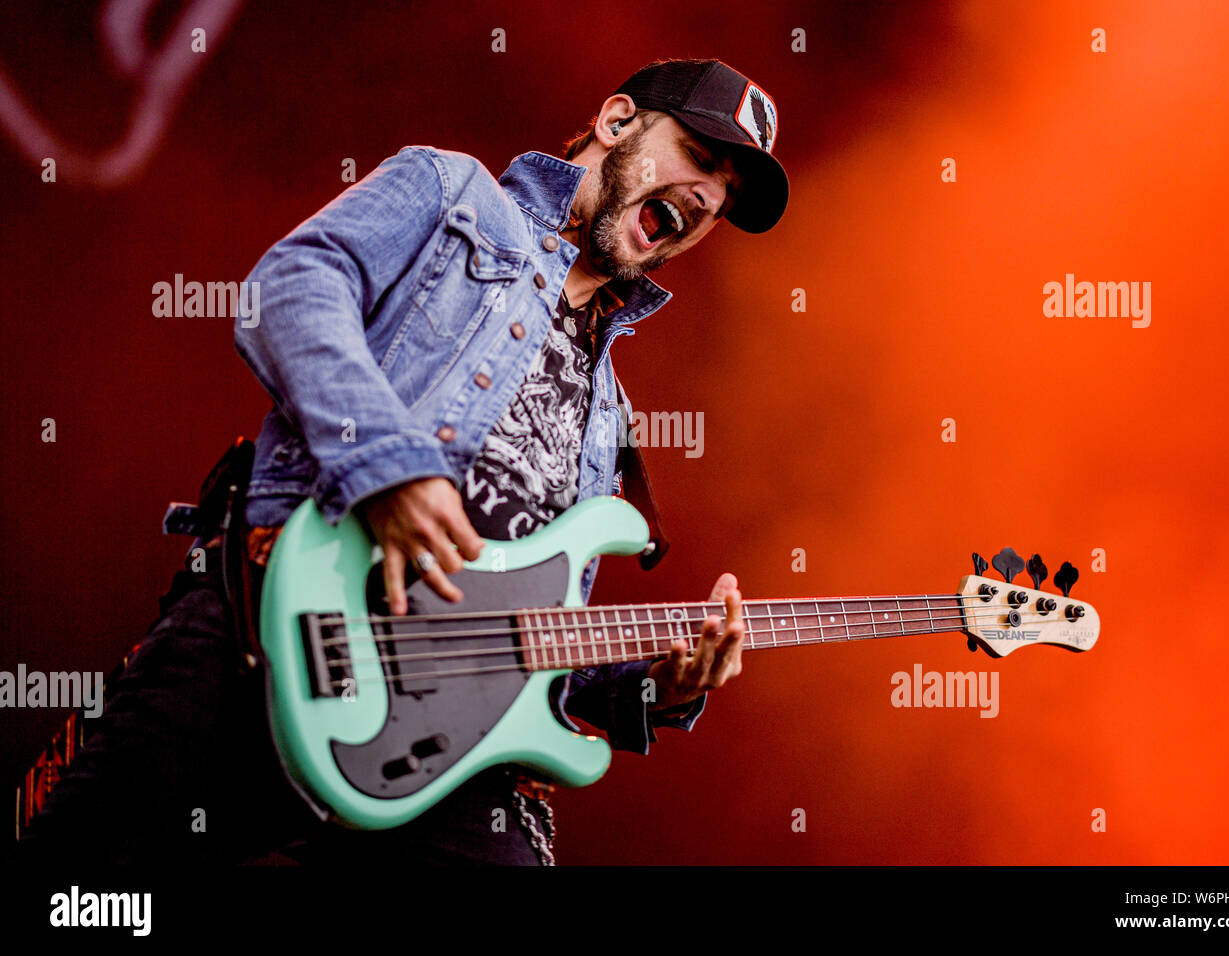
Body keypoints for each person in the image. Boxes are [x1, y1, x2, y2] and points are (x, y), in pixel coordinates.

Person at [22, 57, 789, 865]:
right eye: (702, 158)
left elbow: (528, 647)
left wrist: (655, 688)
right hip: (276, 630)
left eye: (726, 198)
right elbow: (289, 286)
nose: (707, 201)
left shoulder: (613, 418)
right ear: (616, 121)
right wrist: (387, 466)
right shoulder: (453, 194)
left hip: (442, 752)